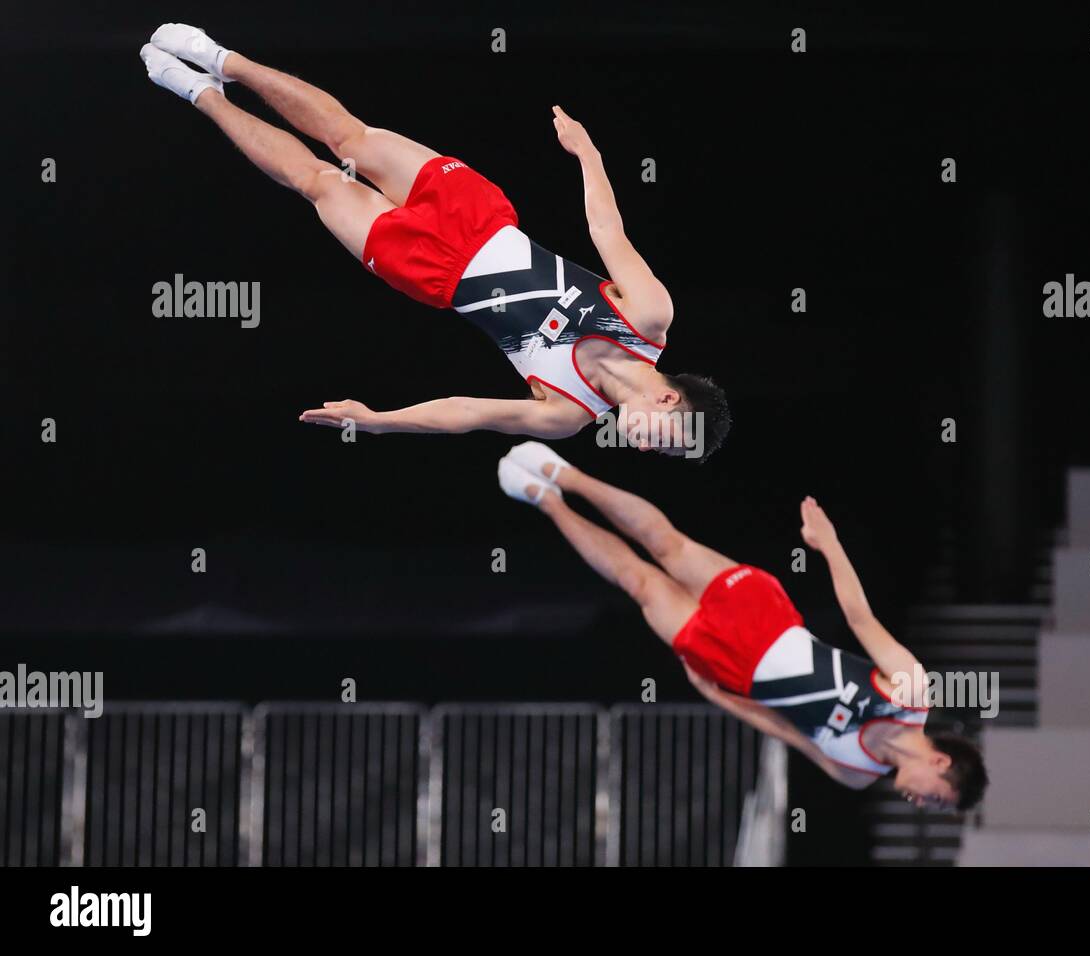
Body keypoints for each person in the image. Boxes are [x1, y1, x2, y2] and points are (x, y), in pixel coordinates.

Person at [138, 23, 730, 458]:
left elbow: (466, 413)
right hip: (478, 216)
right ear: (669, 402)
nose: (646, 448)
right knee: (349, 139)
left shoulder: (568, 415)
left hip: (432, 273)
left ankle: (199, 92)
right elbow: (606, 230)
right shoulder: (649, 317)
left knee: (316, 182)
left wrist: (381, 421)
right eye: (665, 442)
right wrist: (588, 154)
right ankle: (223, 59)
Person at [497, 442, 988, 810]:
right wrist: (829, 544)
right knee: (667, 545)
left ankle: (548, 501)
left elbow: (781, 728)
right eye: (936, 798)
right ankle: (567, 475)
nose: (921, 803)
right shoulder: (911, 694)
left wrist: (719, 698)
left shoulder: (855, 773)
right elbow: (860, 616)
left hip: (736, 670)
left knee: (639, 583)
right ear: (941, 762)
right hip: (768, 620)